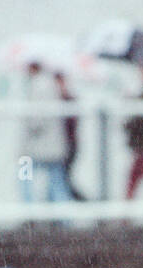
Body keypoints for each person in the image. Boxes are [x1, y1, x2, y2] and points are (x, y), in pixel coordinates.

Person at [18, 62, 73, 203]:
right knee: (57, 182)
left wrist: (28, 125)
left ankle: (28, 212)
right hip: (54, 147)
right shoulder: (51, 84)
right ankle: (65, 217)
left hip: (34, 148)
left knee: (24, 177)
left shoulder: (38, 86)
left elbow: (37, 119)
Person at [53, 71, 87, 201]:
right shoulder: (63, 100)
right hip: (63, 148)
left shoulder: (68, 101)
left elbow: (70, 127)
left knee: (63, 181)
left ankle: (87, 204)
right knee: (60, 181)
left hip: (68, 147)